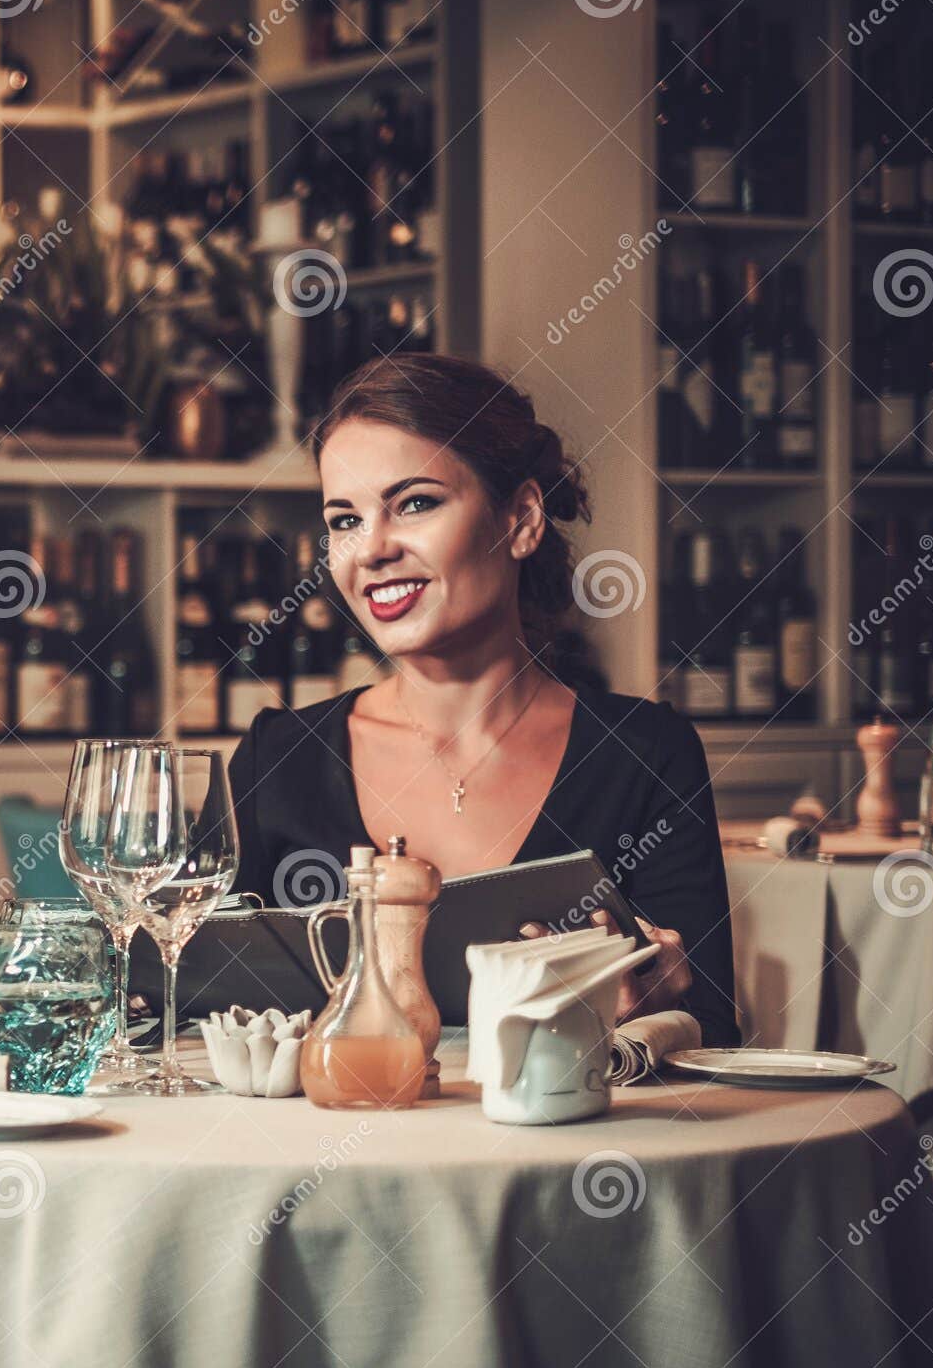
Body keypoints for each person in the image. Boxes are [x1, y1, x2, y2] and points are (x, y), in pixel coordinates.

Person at [229, 354, 738, 1044]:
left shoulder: (646, 755)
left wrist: (661, 1003)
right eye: (344, 520)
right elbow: (196, 1010)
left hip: (561, 1149)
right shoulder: (276, 759)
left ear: (521, 519)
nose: (371, 549)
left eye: (414, 503)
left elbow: (710, 1027)